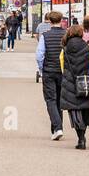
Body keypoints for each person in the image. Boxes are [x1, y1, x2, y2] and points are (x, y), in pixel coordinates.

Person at [57, 24, 89, 149]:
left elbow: (62, 65)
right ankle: (83, 135)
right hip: (85, 82)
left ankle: (80, 138)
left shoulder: (65, 48)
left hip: (70, 83)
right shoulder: (88, 47)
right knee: (85, 110)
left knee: (74, 111)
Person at [35, 11, 67, 139]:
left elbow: (39, 55)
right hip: (63, 71)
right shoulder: (66, 34)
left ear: (49, 21)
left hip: (49, 71)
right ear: (61, 20)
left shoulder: (45, 36)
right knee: (59, 99)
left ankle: (57, 127)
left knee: (50, 99)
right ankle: (57, 128)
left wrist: (42, 68)